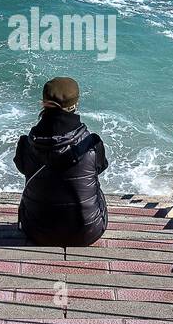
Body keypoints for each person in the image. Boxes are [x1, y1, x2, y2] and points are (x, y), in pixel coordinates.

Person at [13, 77, 109, 246]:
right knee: (94, 185)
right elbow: (100, 168)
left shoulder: (26, 144)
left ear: (43, 103)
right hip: (87, 232)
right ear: (74, 105)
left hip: (36, 231)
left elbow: (23, 169)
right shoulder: (92, 144)